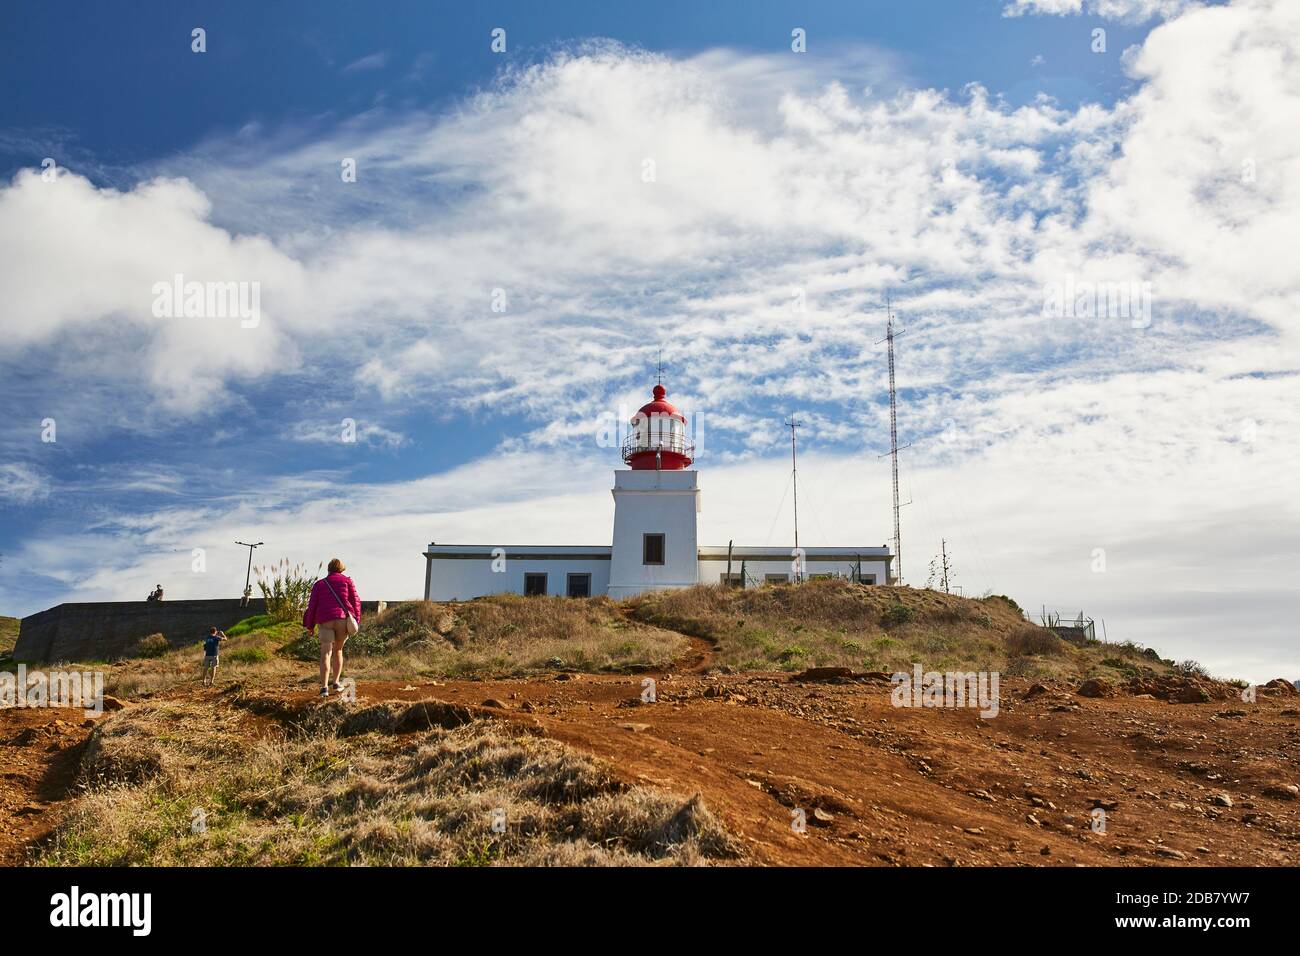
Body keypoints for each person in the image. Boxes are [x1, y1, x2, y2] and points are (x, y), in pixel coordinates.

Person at [302, 558, 361, 698]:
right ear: (341, 569)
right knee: (338, 651)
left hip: (325, 620)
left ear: (328, 569)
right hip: (342, 620)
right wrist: (356, 620)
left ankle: (323, 688)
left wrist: (310, 625)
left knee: (325, 654)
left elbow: (312, 607)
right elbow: (356, 602)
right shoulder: (347, 582)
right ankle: (335, 683)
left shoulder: (319, 584)